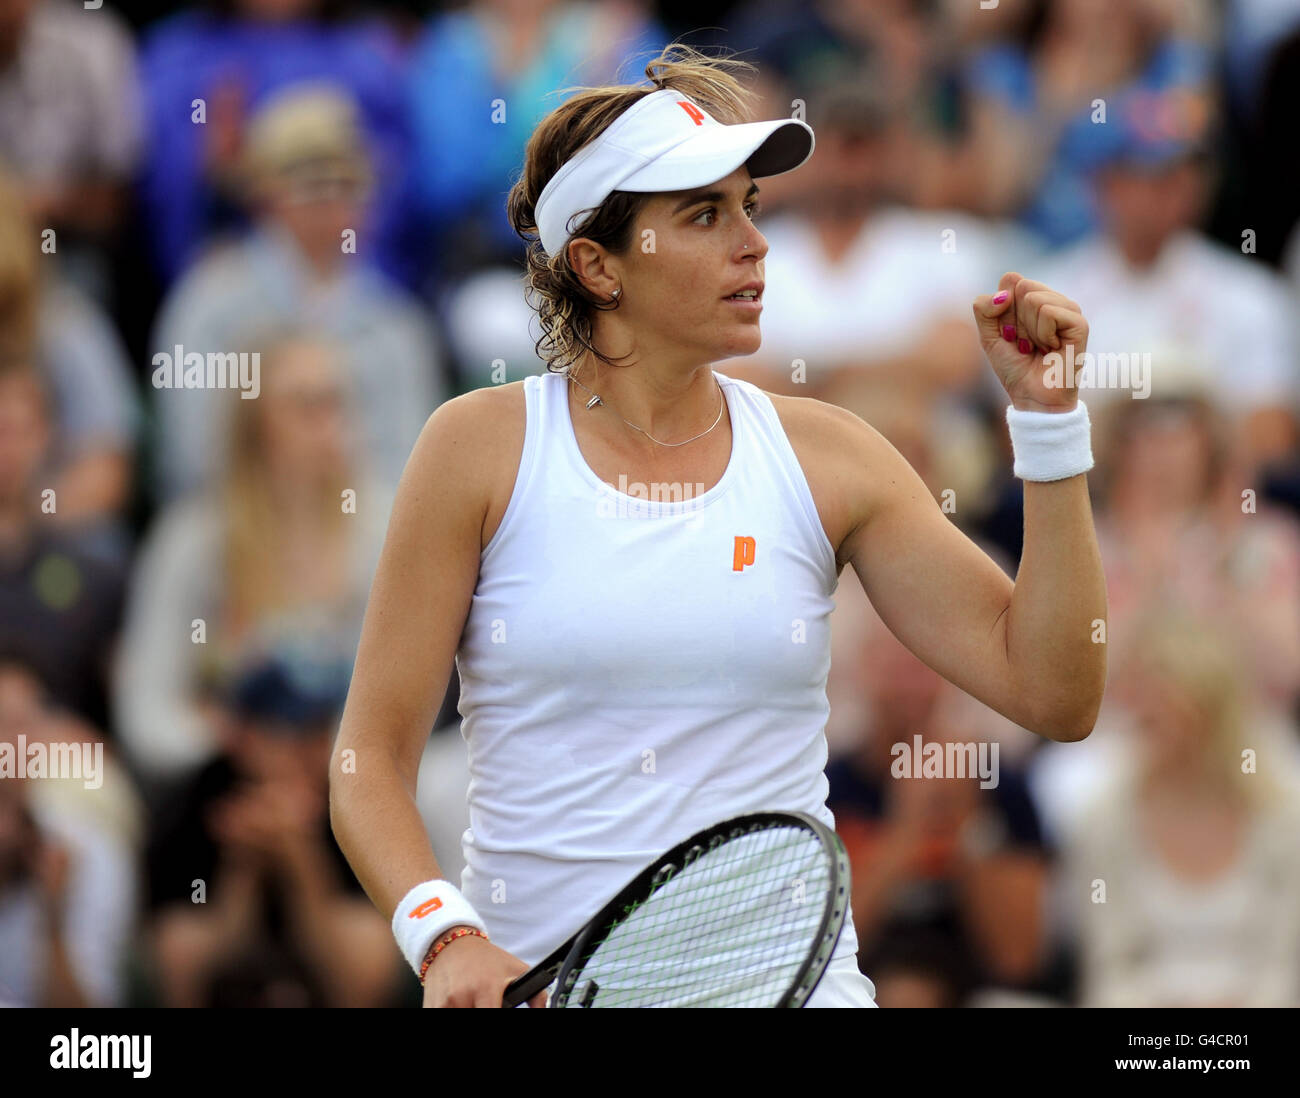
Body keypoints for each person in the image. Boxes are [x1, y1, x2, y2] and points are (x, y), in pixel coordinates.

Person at [329, 43, 1107, 1009]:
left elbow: (1057, 693)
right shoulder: (475, 448)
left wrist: (1049, 426)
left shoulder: (834, 456)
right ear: (597, 265)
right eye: (705, 215)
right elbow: (366, 762)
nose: (755, 242)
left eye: (750, 207)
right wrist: (443, 935)